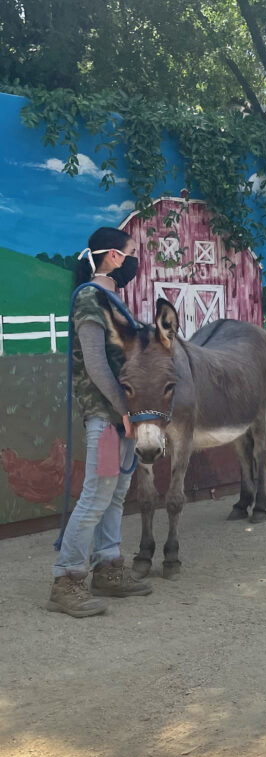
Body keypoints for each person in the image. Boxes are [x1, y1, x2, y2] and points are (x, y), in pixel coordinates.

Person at [48, 227, 153, 617]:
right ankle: (67, 579)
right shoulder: (92, 299)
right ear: (113, 256)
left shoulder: (112, 301)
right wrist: (123, 411)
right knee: (96, 495)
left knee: (115, 495)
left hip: (123, 418)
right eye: (130, 253)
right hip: (107, 418)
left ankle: (109, 570)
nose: (133, 261)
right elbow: (94, 364)